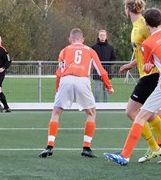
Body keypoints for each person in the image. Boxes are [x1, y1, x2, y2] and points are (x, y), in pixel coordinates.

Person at [104, 9, 161, 166]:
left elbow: (148, 67)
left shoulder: (147, 43)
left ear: (147, 25)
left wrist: (148, 64)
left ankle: (125, 155)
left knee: (140, 116)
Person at [39, 28, 114, 159]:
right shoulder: (90, 51)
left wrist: (58, 87)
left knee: (56, 112)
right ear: (83, 40)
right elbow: (101, 70)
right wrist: (109, 86)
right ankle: (86, 147)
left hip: (66, 79)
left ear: (70, 40)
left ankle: (49, 146)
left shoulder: (65, 50)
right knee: (91, 113)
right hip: (82, 80)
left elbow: (59, 72)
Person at [116, 0, 161, 164]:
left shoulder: (142, 26)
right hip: (146, 74)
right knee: (150, 113)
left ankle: (156, 147)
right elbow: (144, 52)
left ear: (127, 9)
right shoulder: (136, 27)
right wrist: (132, 64)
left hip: (151, 75)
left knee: (132, 111)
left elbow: (157, 45)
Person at [90, 29, 116, 102]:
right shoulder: (93, 48)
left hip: (107, 71)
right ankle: (96, 104)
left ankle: (105, 104)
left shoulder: (110, 48)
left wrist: (109, 64)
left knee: (106, 89)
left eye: (104, 35)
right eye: (101, 35)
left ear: (106, 36)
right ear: (98, 36)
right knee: (97, 89)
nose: (102, 37)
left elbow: (113, 58)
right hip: (97, 72)